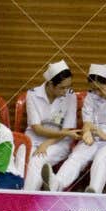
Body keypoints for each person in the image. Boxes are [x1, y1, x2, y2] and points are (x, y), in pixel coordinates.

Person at [52, 64, 106, 194]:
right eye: (94, 89)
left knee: (102, 158)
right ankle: (54, 185)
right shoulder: (91, 96)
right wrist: (86, 132)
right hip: (95, 137)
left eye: (100, 89)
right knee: (77, 156)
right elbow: (87, 122)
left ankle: (93, 192)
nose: (97, 93)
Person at [22, 61, 80, 191]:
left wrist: (47, 143)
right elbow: (37, 128)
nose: (66, 91)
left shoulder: (71, 96)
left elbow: (66, 130)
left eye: (68, 86)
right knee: (22, 163)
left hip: (58, 142)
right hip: (33, 138)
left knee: (36, 161)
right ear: (49, 84)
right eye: (62, 87)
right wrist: (43, 143)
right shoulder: (32, 94)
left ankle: (27, 198)